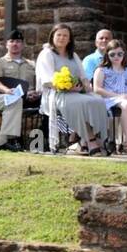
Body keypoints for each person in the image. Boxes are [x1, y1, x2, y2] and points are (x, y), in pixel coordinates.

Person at [35, 24, 111, 155]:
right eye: (59, 35)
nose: (62, 38)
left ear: (69, 39)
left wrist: (86, 87)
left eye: (65, 35)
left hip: (76, 92)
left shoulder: (73, 55)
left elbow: (83, 76)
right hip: (56, 94)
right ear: (52, 36)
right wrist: (68, 87)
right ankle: (90, 140)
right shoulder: (46, 54)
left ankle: (90, 140)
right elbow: (47, 80)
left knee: (98, 100)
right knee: (82, 103)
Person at [92, 39, 127, 152]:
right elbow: (97, 89)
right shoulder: (102, 70)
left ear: (124, 54)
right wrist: (118, 96)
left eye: (119, 54)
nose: (116, 57)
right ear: (107, 55)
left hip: (125, 97)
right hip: (108, 98)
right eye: (112, 54)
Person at [0, 30, 40, 105]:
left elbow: (38, 85)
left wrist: (36, 93)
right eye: (11, 41)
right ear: (6, 44)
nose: (15, 44)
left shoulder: (31, 64)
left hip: (31, 101)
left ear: (23, 45)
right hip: (9, 101)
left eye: (18, 41)